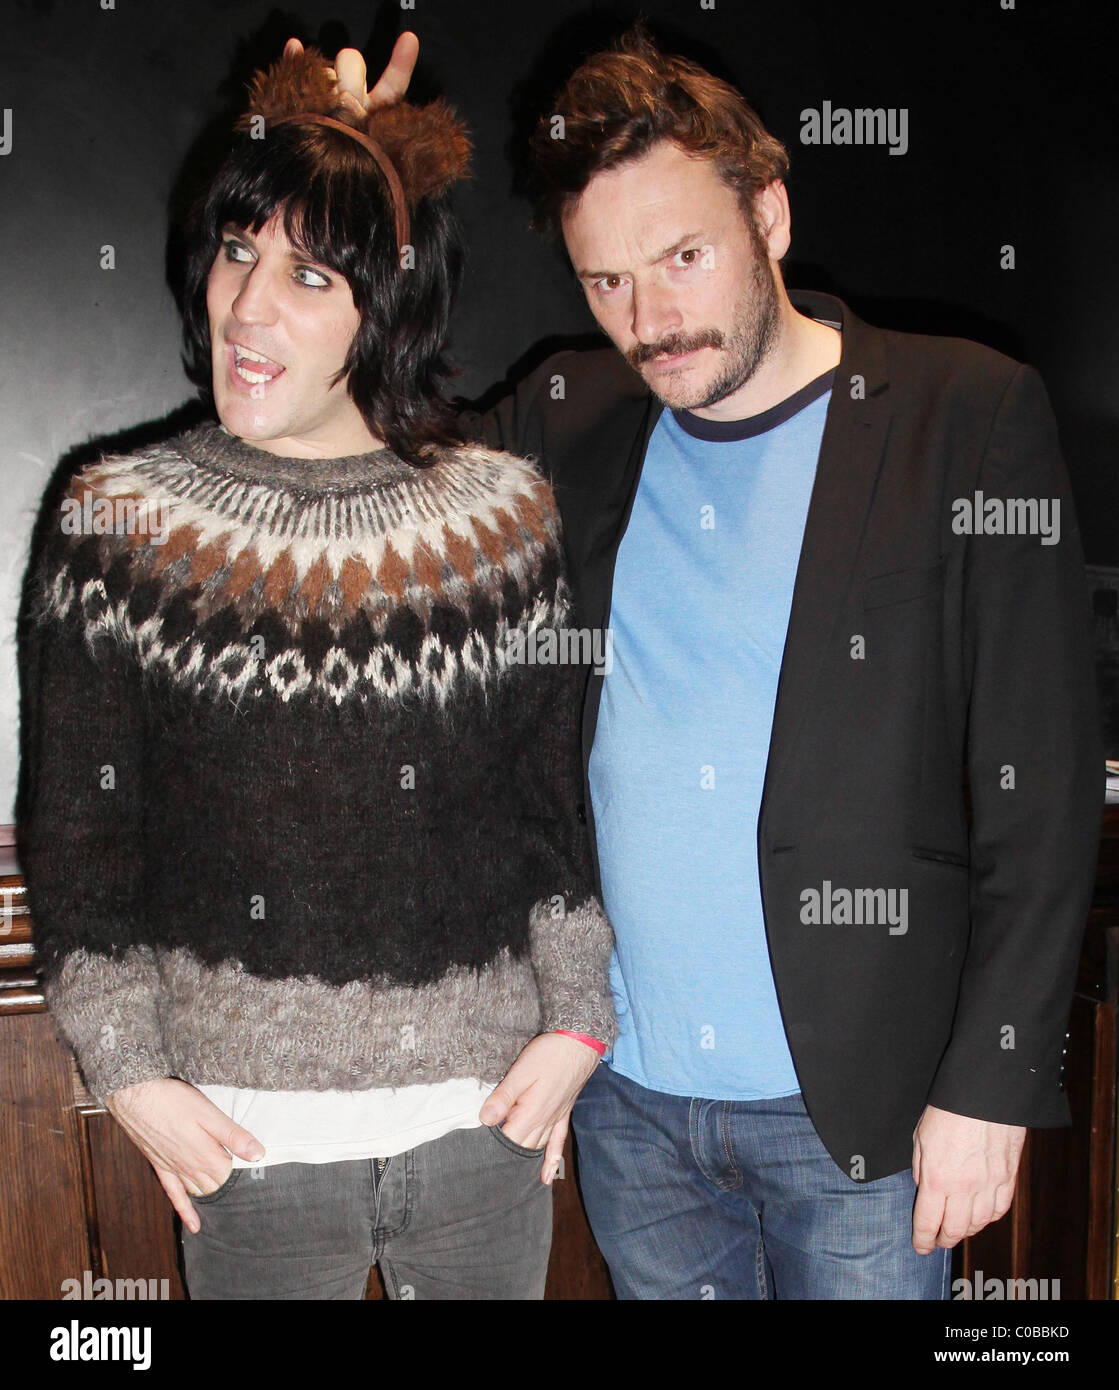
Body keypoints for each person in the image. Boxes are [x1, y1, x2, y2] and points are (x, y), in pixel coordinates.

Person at [327, 25, 1103, 1299]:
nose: (653, 320)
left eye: (683, 258)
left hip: (864, 1110)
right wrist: (352, 185)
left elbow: (1043, 783)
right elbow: (357, 463)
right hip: (632, 1103)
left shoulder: (965, 415)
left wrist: (992, 1083)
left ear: (771, 214)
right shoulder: (572, 416)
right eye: (609, 282)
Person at [17, 41, 615, 1301]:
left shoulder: (502, 520)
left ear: (382, 306)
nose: (248, 306)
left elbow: (553, 808)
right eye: (238, 252)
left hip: (483, 1135)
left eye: (307, 271)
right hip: (251, 1157)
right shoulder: (117, 522)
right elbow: (81, 830)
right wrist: (127, 1071)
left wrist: (576, 1023)